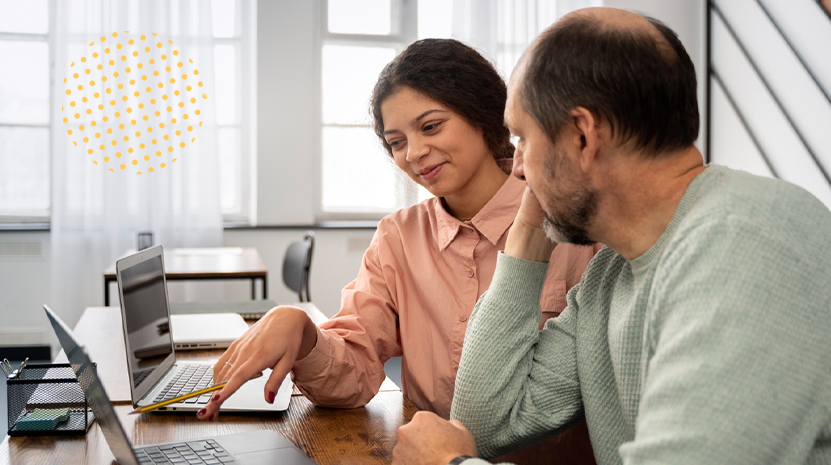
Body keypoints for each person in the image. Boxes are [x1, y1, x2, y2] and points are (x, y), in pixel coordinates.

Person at [392, 7, 831, 465]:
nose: (518, 167)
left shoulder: (745, 241)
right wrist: (526, 238)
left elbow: (467, 446)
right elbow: (487, 422)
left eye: (523, 138)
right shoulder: (614, 271)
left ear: (583, 136)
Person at [197, 38, 598, 463]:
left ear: (484, 114)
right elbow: (352, 374)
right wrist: (303, 333)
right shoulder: (398, 237)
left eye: (430, 126)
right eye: (396, 142)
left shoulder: (574, 226)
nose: (414, 154)